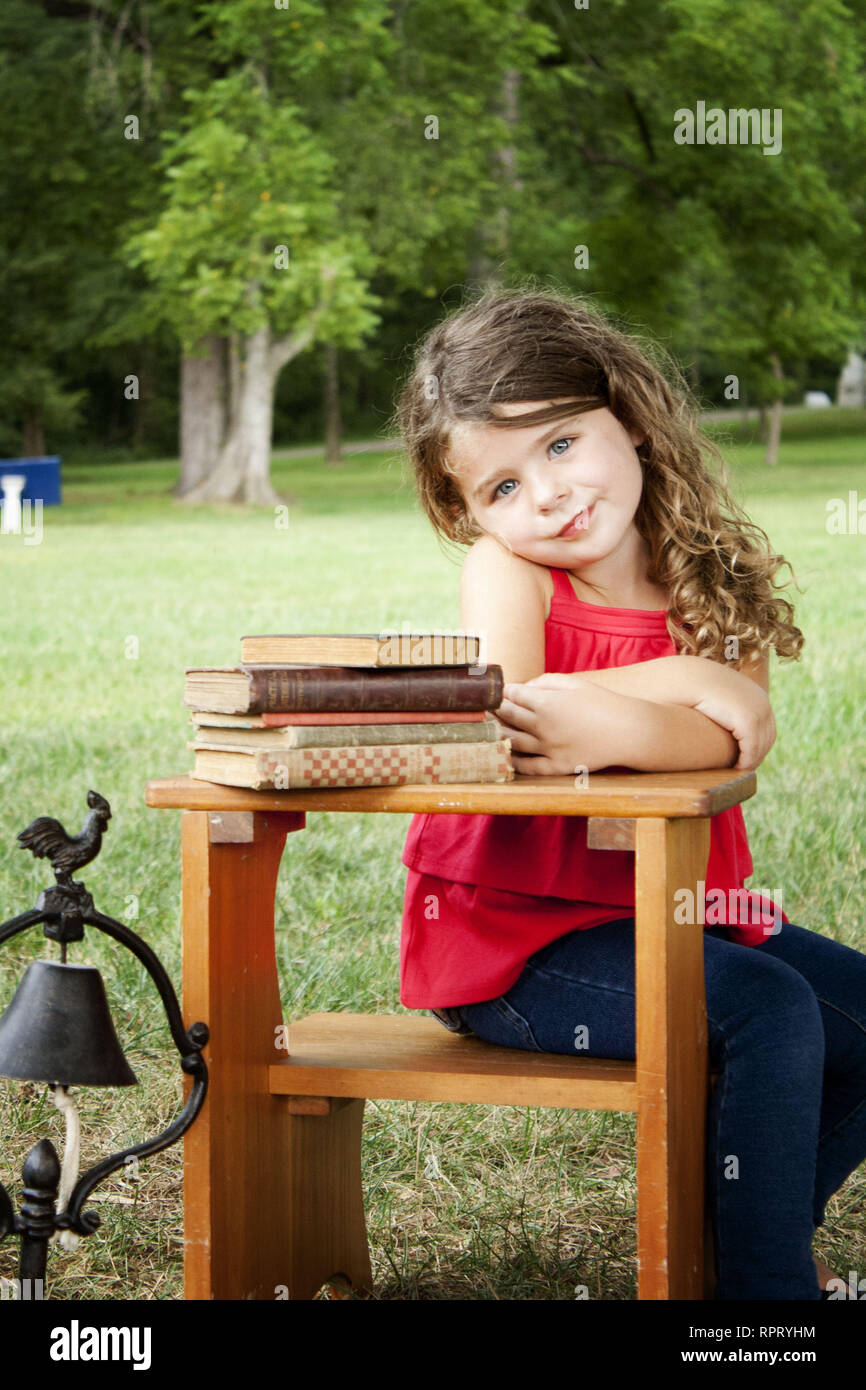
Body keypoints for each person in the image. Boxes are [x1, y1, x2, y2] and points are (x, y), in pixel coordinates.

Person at [391, 285, 866, 1301]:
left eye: (560, 444)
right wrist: (696, 682)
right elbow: (518, 722)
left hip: (681, 911)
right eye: (502, 485)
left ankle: (741, 1237)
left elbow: (720, 748)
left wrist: (665, 707)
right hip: (513, 945)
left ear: (631, 417)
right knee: (772, 1012)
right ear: (469, 513)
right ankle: (762, 1300)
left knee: (858, 1015)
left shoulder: (712, 577)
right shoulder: (507, 573)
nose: (545, 497)